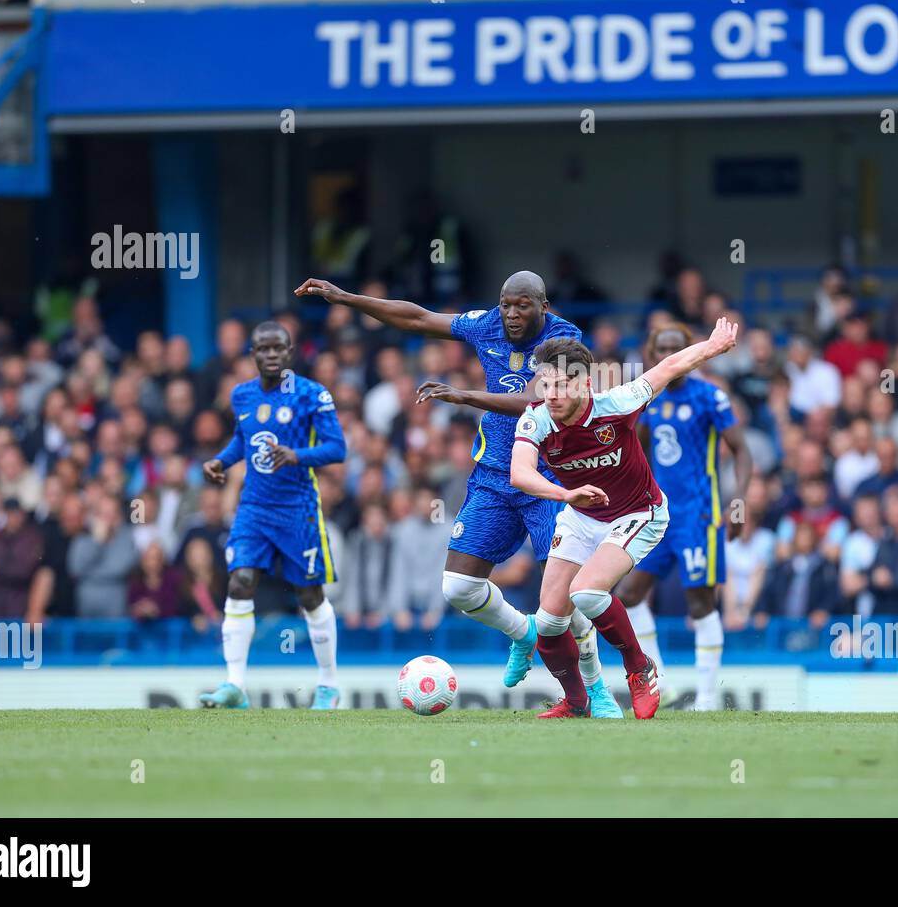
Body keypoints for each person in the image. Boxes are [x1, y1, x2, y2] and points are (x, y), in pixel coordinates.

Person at [295, 271, 617, 716]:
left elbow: (537, 401)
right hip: (494, 477)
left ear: (544, 306)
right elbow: (416, 318)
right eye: (506, 304)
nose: (511, 314)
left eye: (522, 305)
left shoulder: (564, 340)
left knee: (563, 598)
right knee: (459, 587)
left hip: (551, 480)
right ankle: (523, 635)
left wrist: (464, 395)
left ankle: (595, 690)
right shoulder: (487, 325)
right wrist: (345, 297)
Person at [509, 318, 739, 719]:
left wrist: (713, 346)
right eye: (547, 385)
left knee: (587, 593)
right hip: (580, 514)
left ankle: (639, 666)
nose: (553, 395)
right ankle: (577, 701)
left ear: (584, 384)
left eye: (563, 386)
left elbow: (667, 368)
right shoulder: (537, 418)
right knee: (548, 622)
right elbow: (520, 473)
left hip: (639, 513)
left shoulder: (617, 403)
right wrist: (565, 494)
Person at [198, 322, 347, 710]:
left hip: (299, 510)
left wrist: (297, 455)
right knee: (240, 581)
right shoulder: (241, 395)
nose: (270, 355)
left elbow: (337, 449)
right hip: (253, 507)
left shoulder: (312, 395)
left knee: (310, 595)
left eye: (277, 348)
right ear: (252, 354)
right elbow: (243, 440)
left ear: (290, 351)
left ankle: (328, 685)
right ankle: (235, 685)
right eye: (262, 349)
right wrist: (221, 460)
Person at [615, 323, 752, 711]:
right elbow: (635, 453)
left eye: (677, 347)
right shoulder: (646, 398)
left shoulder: (710, 397)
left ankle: (707, 699)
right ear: (653, 354)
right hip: (657, 515)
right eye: (662, 349)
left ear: (689, 354)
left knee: (700, 604)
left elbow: (741, 451)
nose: (669, 355)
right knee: (628, 595)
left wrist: (739, 500)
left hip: (698, 515)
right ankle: (665, 684)